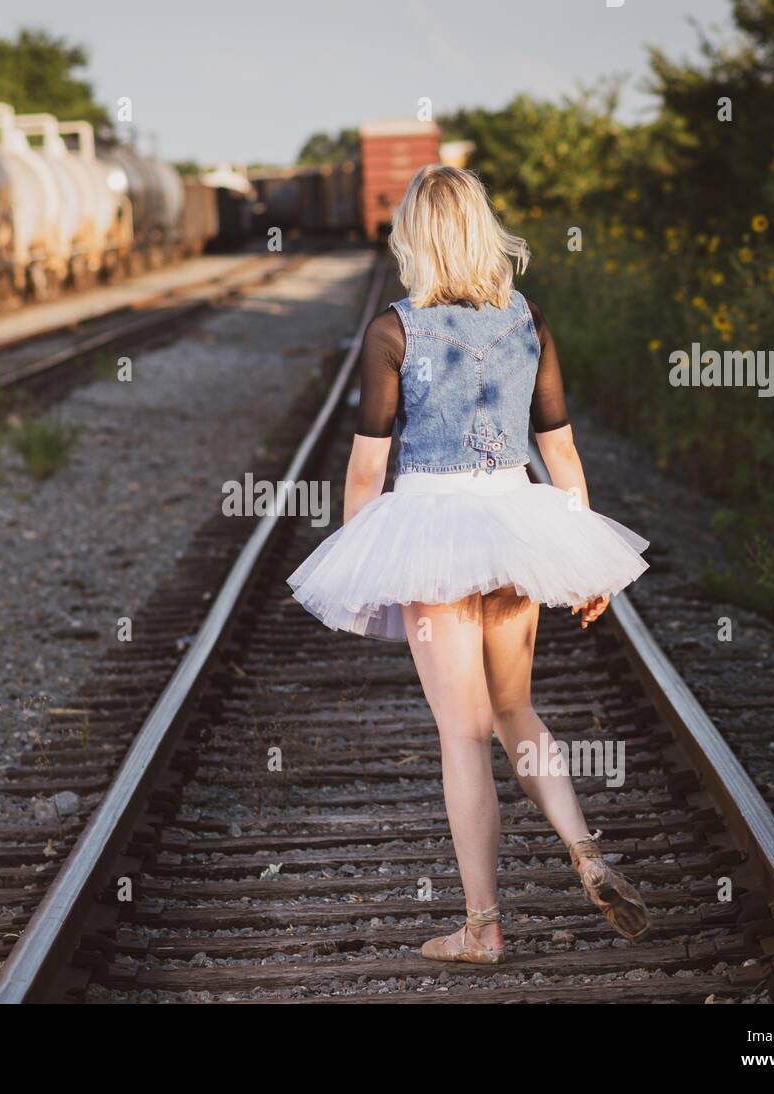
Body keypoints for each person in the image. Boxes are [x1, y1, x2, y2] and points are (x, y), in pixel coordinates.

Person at [287, 165, 651, 963]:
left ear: (414, 236)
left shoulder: (394, 330)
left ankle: (482, 928)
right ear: (483, 229)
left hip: (433, 530)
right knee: (516, 713)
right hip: (517, 527)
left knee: (463, 733)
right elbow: (560, 453)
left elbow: (363, 470)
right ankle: (587, 853)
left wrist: (364, 565)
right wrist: (581, 557)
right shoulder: (525, 319)